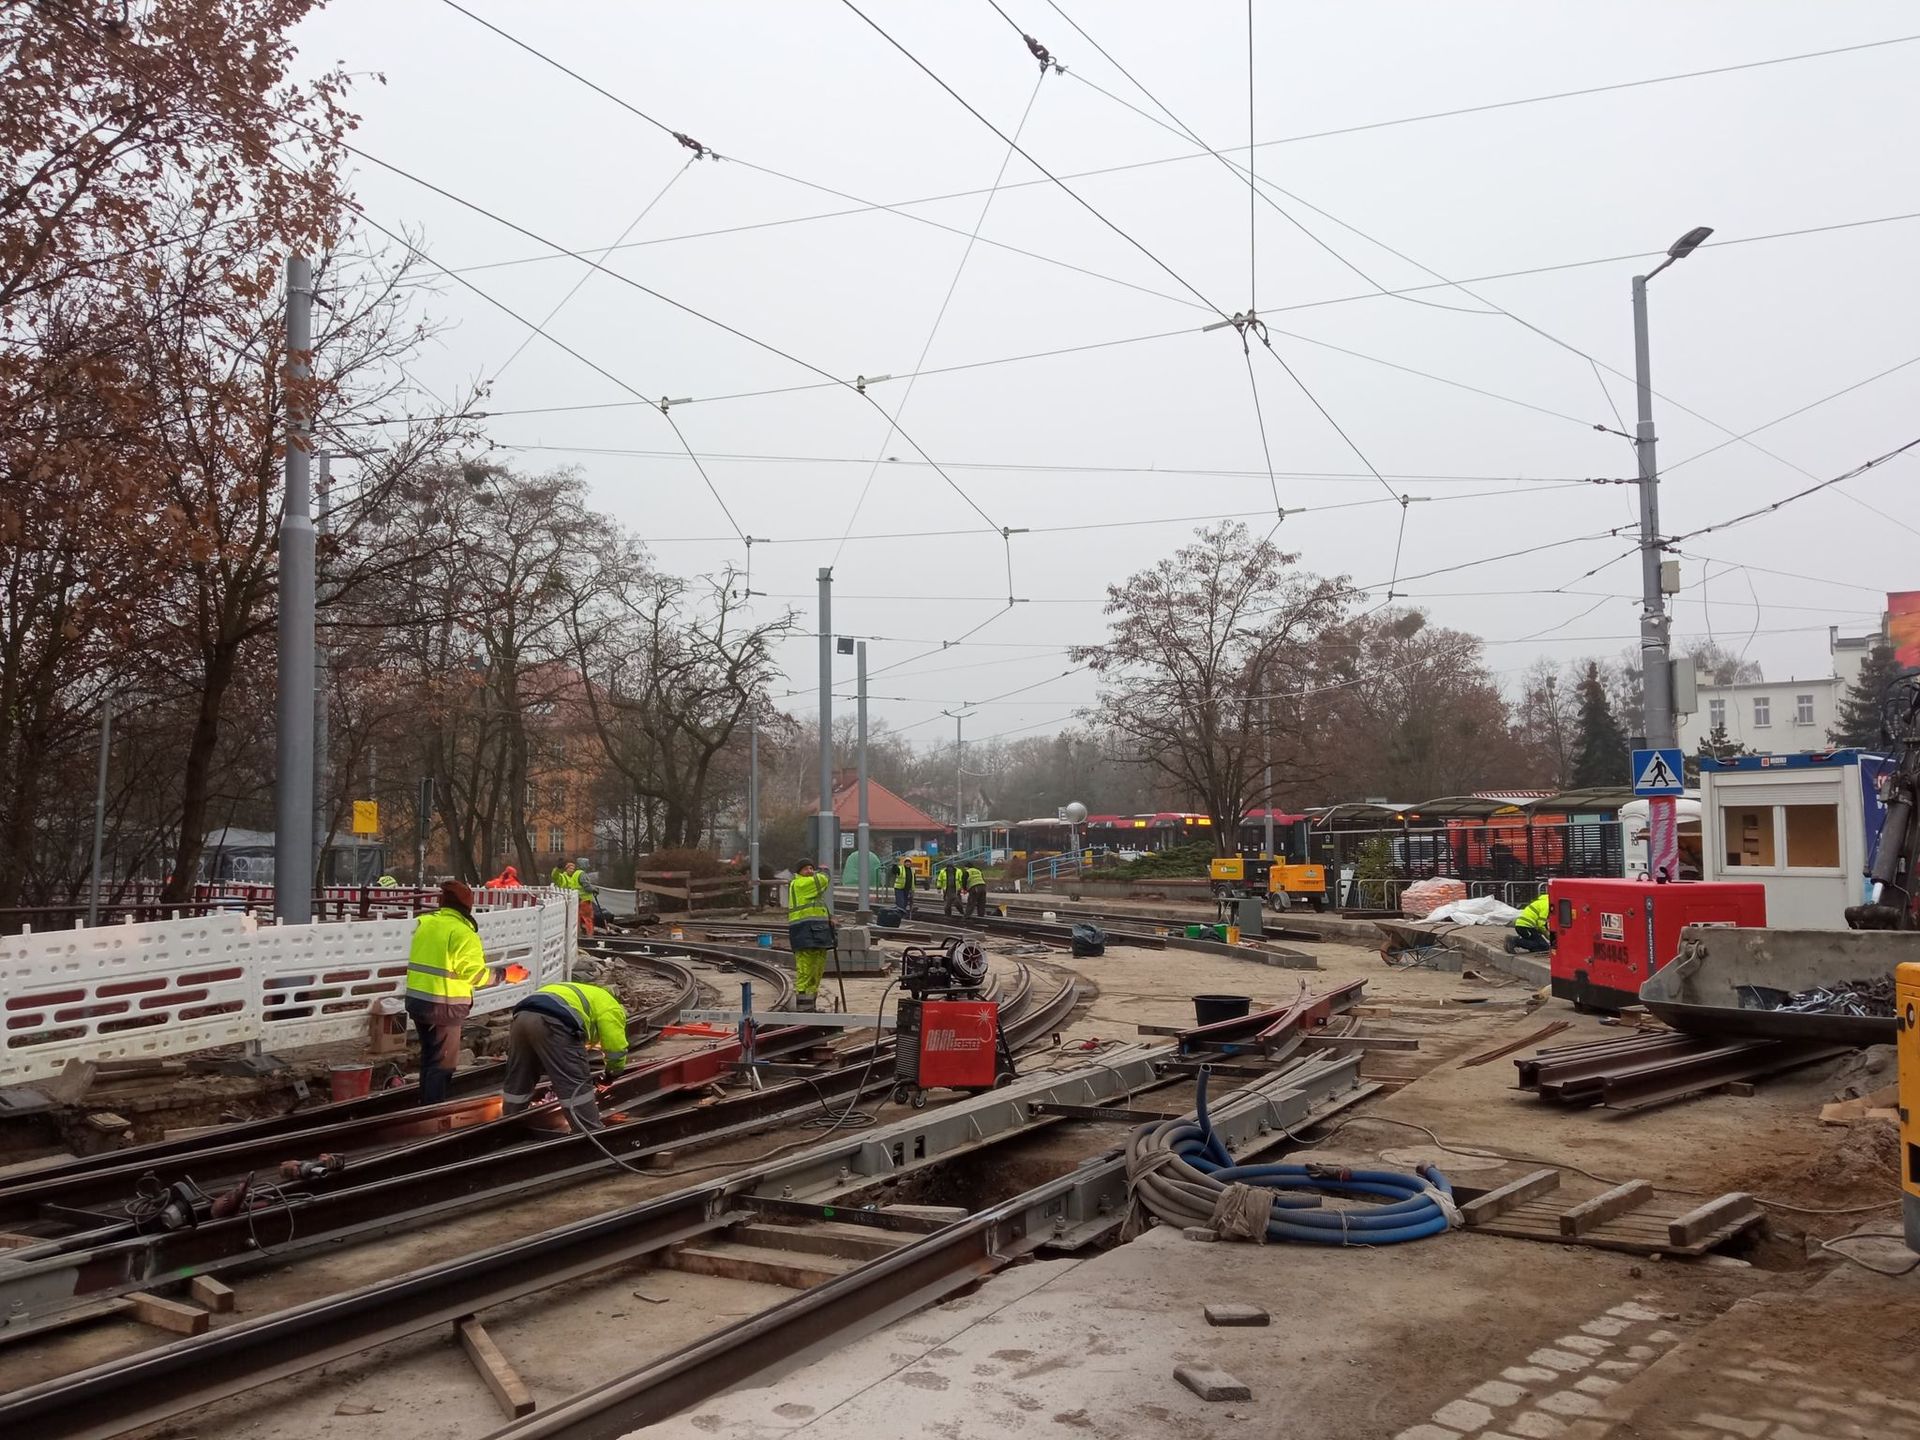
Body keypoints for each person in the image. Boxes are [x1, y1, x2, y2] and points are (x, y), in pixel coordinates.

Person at [405, 881, 494, 1103]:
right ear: (467, 906)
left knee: (429, 1058)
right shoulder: (463, 933)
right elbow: (474, 975)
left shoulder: (426, 924)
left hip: (418, 1002)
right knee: (443, 1064)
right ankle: (432, 1114)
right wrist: (506, 974)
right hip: (443, 1006)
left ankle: (423, 1106)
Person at [502, 980, 629, 1132]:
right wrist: (612, 1073)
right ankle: (589, 1131)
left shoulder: (585, 995)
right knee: (574, 1082)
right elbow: (615, 1047)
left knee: (519, 1077)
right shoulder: (611, 1008)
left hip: (521, 1016)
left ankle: (509, 1125)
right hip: (555, 1021)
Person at [787, 858, 835, 1011]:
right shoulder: (800, 884)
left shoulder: (813, 893)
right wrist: (825, 871)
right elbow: (822, 880)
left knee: (816, 971)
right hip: (804, 933)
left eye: (811, 868)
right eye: (806, 869)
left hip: (817, 933)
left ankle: (810, 1006)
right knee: (806, 971)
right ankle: (803, 1008)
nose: (810, 871)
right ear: (799, 872)